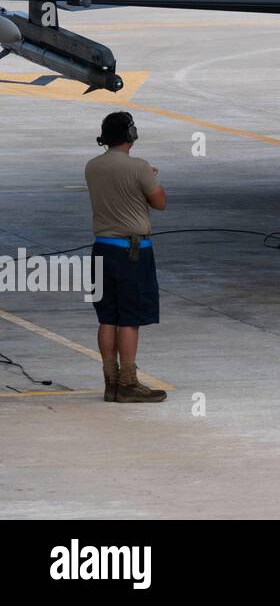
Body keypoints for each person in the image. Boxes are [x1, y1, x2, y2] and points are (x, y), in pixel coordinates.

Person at [84, 111, 168, 404]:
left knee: (107, 317)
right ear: (130, 135)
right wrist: (148, 178)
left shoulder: (92, 166)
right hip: (132, 252)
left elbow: (116, 188)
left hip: (101, 249)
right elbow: (160, 203)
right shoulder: (140, 168)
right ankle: (128, 383)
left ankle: (110, 382)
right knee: (129, 319)